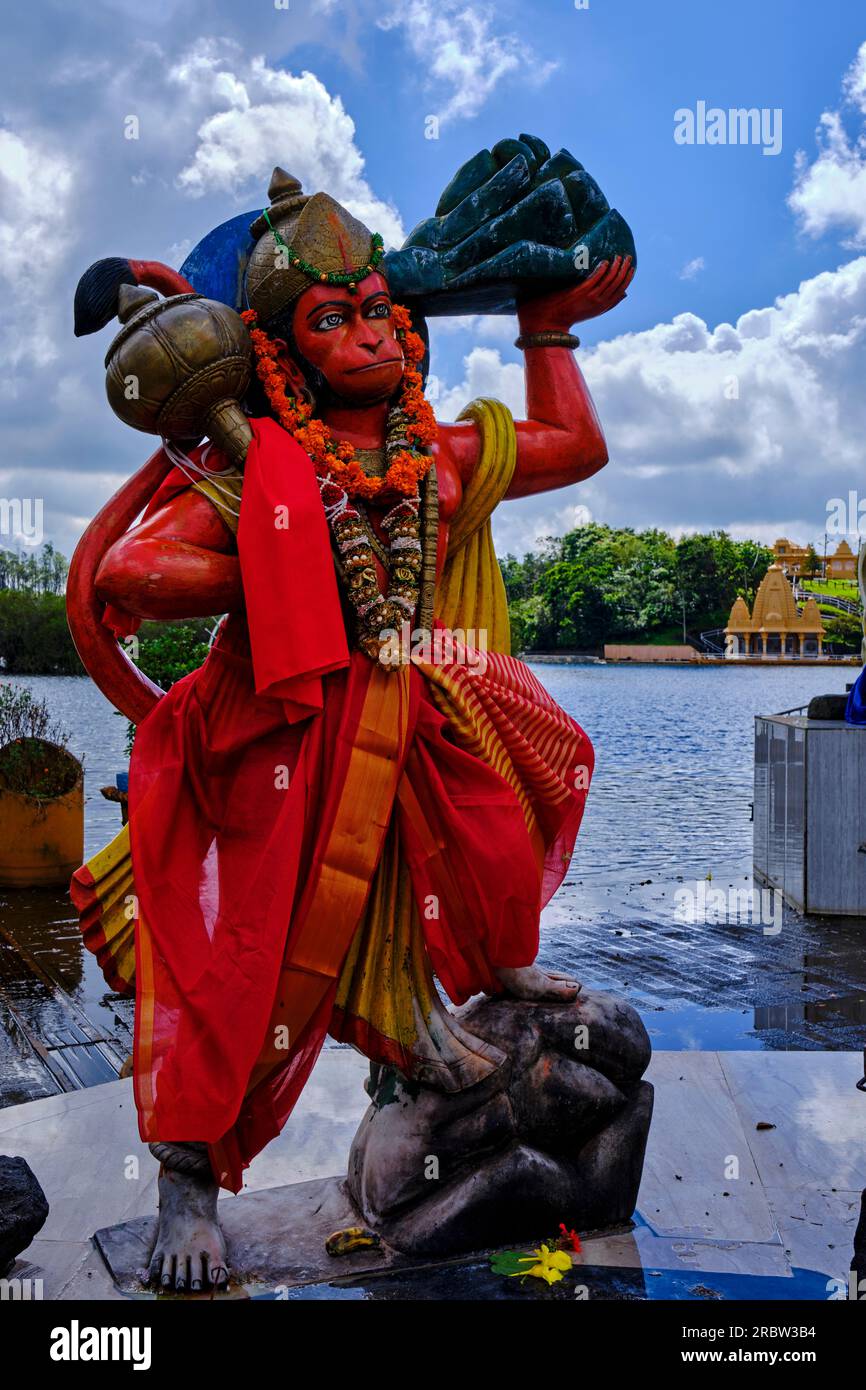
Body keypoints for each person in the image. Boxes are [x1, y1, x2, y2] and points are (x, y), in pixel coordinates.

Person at [72, 169, 634, 1291]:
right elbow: (137, 567)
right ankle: (188, 1181)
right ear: (282, 351)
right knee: (241, 969)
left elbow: (575, 448)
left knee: (502, 815)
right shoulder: (256, 465)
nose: (370, 330)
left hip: (412, 700)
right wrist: (284, 552)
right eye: (333, 317)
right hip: (279, 722)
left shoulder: (430, 452)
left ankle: (478, 978)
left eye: (381, 308)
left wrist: (546, 327)